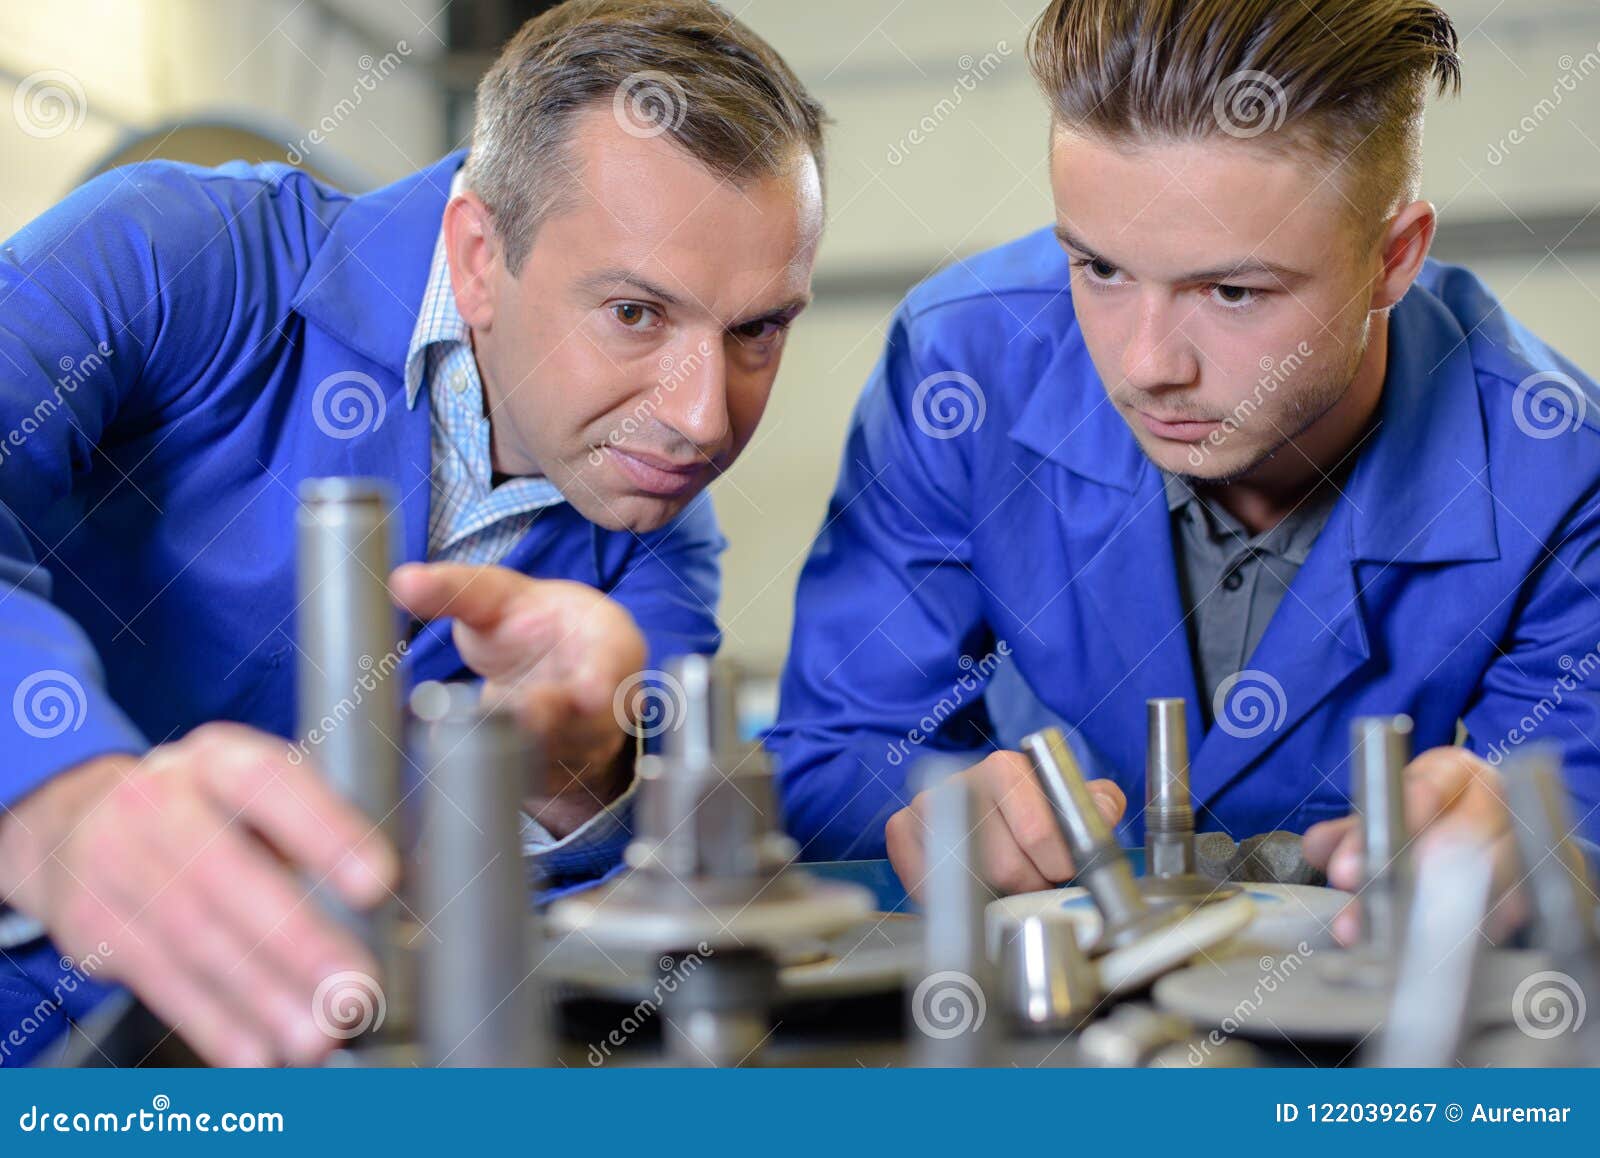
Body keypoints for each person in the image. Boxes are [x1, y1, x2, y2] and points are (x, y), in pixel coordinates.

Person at [0, 0, 824, 1066]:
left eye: (757, 330)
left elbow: (598, 947)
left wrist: (577, 776)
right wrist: (54, 794)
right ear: (479, 255)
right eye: (635, 314)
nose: (703, 418)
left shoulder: (659, 537)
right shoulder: (176, 256)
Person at [769, 0, 1600, 932]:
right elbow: (835, 757)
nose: (1145, 365)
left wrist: (1536, 860)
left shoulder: (1562, 474)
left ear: (1392, 259)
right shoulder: (962, 368)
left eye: (1233, 291)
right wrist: (935, 810)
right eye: (1100, 269)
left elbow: (1579, 835)